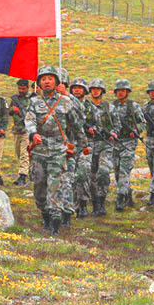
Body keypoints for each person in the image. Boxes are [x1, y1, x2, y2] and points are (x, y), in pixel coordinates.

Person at [25, 65, 83, 236]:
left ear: (56, 81)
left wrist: (83, 144)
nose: (47, 81)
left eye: (50, 78)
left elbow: (77, 123)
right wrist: (33, 134)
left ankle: (55, 220)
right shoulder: (34, 102)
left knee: (55, 186)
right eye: (43, 79)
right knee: (39, 187)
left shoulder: (66, 101)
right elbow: (29, 120)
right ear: (39, 83)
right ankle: (44, 212)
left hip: (59, 150)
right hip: (39, 150)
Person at [111, 78, 145, 211]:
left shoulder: (133, 106)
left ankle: (120, 199)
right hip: (115, 142)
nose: (120, 93)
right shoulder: (112, 106)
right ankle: (128, 195)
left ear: (127, 92)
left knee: (124, 170)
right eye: (118, 91)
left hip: (129, 142)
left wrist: (137, 130)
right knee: (118, 171)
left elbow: (142, 122)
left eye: (123, 91)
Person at [86, 78, 116, 217]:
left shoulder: (109, 107)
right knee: (91, 175)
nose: (95, 91)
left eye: (98, 89)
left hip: (106, 144)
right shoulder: (85, 106)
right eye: (93, 89)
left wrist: (114, 132)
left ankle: (102, 201)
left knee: (103, 172)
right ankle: (95, 203)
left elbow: (117, 124)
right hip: (90, 143)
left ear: (102, 91)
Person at [69, 78, 94, 219]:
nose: (77, 90)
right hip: (71, 144)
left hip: (85, 145)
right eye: (75, 88)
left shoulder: (90, 107)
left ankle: (83, 203)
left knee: (83, 174)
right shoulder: (66, 103)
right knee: (71, 175)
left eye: (80, 88)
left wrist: (93, 129)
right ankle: (73, 205)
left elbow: (93, 122)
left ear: (85, 90)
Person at [10, 79, 33, 186]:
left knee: (25, 153)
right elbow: (8, 111)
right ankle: (29, 171)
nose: (21, 90)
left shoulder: (32, 98)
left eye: (23, 88)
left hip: (27, 130)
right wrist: (12, 109)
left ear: (27, 88)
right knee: (19, 153)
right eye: (20, 88)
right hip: (17, 130)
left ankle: (22, 176)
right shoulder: (14, 99)